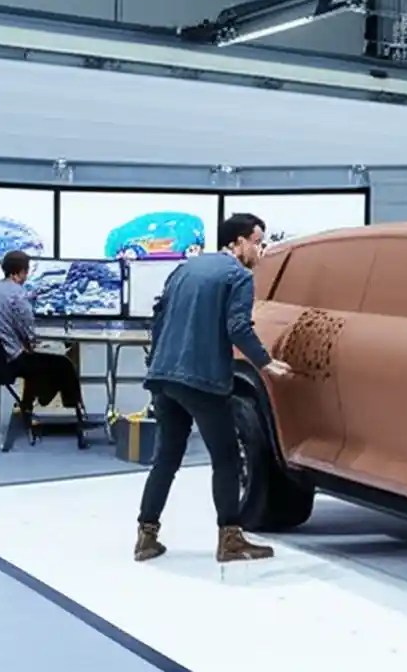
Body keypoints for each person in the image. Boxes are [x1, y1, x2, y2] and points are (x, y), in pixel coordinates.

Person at [134, 213, 294, 563]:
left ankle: (146, 537)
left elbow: (159, 318)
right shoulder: (238, 276)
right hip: (201, 379)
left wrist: (158, 366)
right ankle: (230, 539)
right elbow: (238, 327)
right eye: (257, 240)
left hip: (164, 376)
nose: (261, 249)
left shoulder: (185, 270)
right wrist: (265, 362)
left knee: (166, 459)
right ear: (237, 242)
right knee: (225, 458)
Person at [0, 250, 88, 434]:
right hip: (8, 364)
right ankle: (75, 414)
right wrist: (31, 342)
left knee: (36, 363)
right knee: (62, 363)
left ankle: (30, 405)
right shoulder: (17, 294)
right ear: (21, 272)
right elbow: (28, 331)